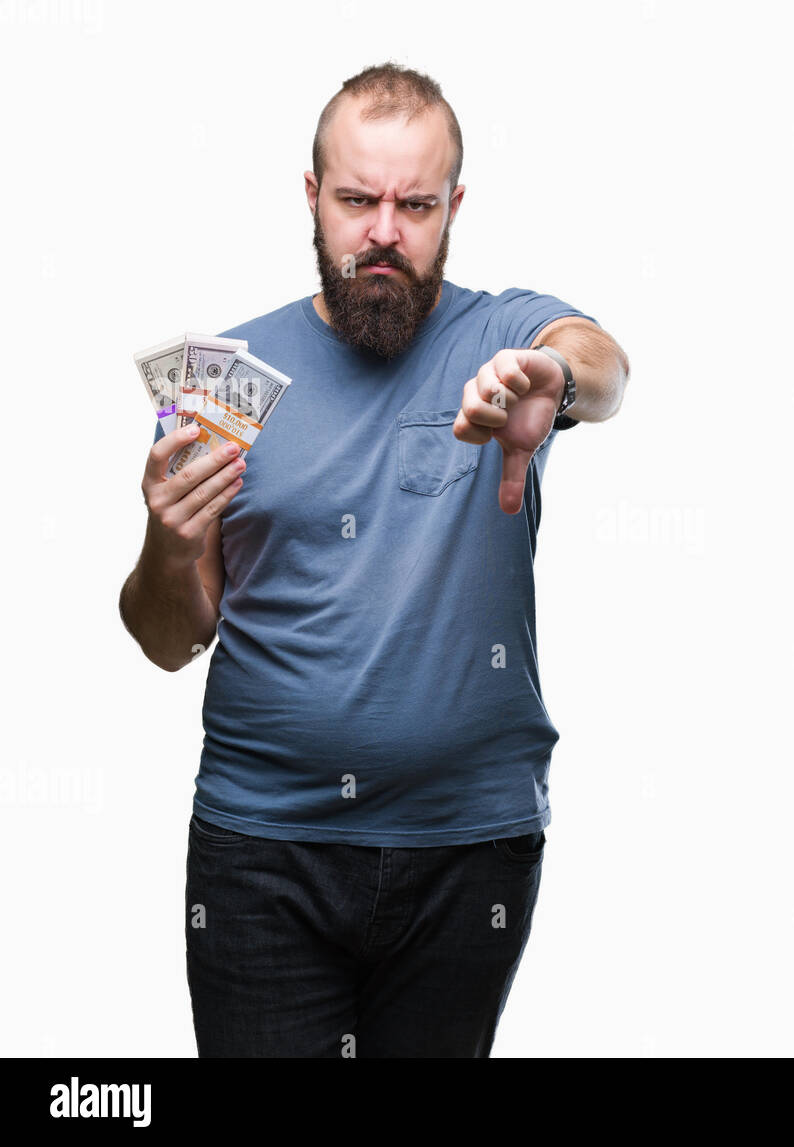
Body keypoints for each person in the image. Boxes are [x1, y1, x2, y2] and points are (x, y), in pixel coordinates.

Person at [118, 62, 630, 1058]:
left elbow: (604, 366)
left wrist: (555, 378)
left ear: (454, 206)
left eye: (416, 204)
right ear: (312, 198)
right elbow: (167, 639)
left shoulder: (505, 337)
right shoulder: (218, 376)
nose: (385, 231)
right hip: (261, 854)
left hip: (468, 849)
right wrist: (165, 546)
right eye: (357, 200)